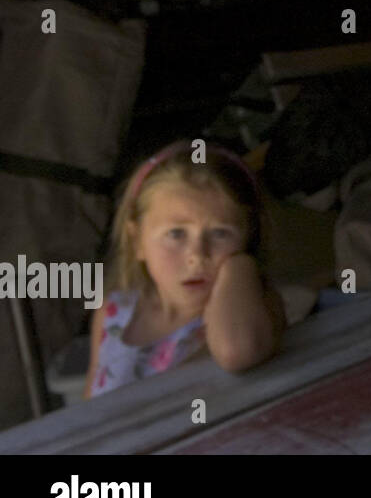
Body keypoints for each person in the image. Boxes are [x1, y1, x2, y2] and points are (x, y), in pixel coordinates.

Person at [84, 140, 286, 399]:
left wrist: (240, 263)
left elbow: (237, 351)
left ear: (249, 239)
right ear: (137, 242)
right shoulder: (114, 312)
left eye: (220, 233)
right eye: (176, 233)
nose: (197, 255)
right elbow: (89, 406)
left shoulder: (249, 306)